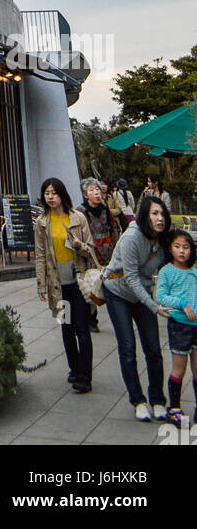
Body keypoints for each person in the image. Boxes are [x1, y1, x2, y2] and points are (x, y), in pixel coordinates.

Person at [102, 195, 171, 420]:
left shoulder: (164, 240)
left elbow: (170, 270)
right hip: (118, 292)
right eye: (154, 213)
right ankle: (138, 400)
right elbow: (131, 278)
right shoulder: (132, 237)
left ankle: (158, 400)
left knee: (153, 349)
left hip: (141, 293)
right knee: (128, 348)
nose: (160, 218)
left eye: (162, 214)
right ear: (144, 215)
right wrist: (154, 305)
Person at [34, 177, 95, 392]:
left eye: (54, 192)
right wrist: (42, 284)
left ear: (62, 194)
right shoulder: (42, 222)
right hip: (58, 285)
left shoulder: (77, 218)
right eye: (47, 193)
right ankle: (74, 369)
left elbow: (91, 249)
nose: (50, 197)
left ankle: (85, 376)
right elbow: (40, 256)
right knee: (66, 328)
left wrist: (79, 246)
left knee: (82, 328)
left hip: (78, 281)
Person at [155, 230, 197, 425]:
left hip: (196, 326)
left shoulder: (194, 272)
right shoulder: (166, 271)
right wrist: (182, 304)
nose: (182, 251)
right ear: (170, 249)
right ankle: (174, 408)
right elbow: (161, 296)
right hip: (179, 326)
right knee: (179, 369)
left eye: (186, 247)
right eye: (178, 246)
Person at [80, 178, 120, 330]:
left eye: (97, 189)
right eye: (91, 190)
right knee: (92, 286)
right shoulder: (80, 212)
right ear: (85, 195)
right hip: (90, 255)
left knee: (108, 285)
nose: (96, 192)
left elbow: (113, 229)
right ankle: (91, 319)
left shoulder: (105, 210)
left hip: (107, 254)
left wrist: (115, 248)